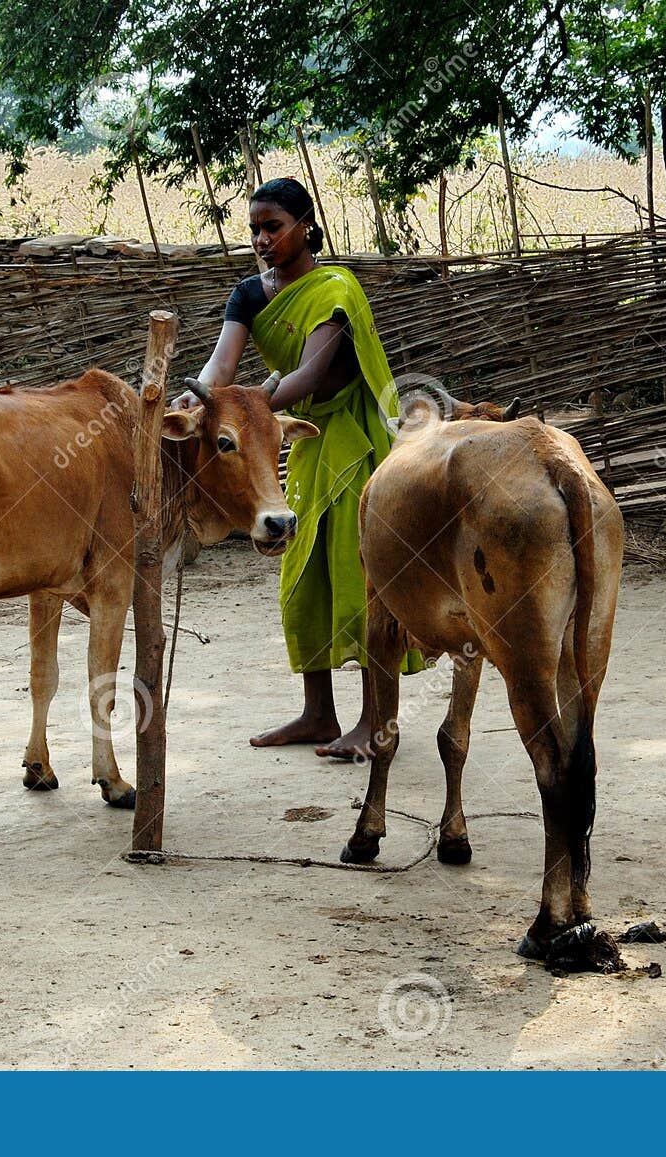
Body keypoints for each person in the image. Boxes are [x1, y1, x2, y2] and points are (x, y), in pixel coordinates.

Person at [176, 177, 422, 759]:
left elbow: (310, 375)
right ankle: (318, 714)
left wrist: (242, 410)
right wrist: (197, 401)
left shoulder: (335, 290)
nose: (262, 240)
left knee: (358, 574)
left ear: (305, 226)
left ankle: (375, 720)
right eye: (254, 230)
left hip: (354, 440)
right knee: (302, 575)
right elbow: (220, 367)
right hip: (300, 442)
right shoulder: (248, 295)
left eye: (274, 227)